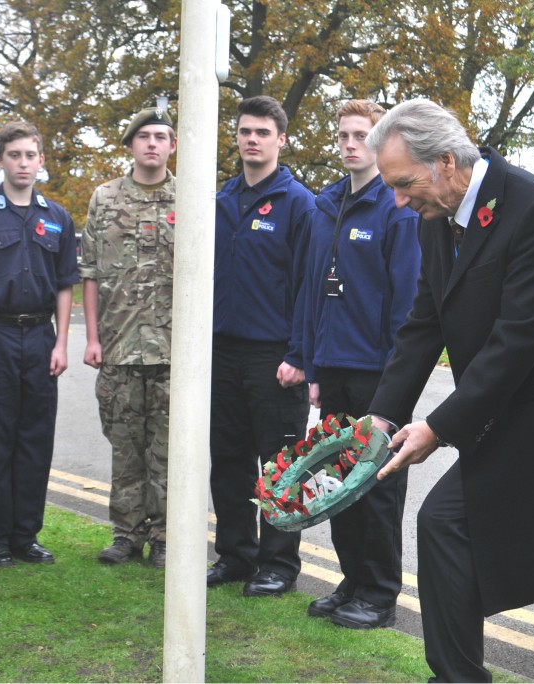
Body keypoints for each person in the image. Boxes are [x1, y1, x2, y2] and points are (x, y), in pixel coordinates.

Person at [365, 99, 534, 681]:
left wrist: (437, 429)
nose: (399, 200)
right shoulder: (437, 215)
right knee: (445, 526)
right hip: (513, 412)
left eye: (404, 183)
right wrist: (380, 419)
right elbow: (423, 324)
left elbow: (519, 341)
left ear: (445, 162)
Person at [301, 99, 420, 628]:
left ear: (379, 143)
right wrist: (312, 365)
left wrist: (397, 381)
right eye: (344, 135)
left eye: (361, 136)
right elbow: (311, 292)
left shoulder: (396, 209)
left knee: (377, 486)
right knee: (340, 482)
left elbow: (407, 305)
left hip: (379, 374)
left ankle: (379, 593)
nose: (351, 144)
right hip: (333, 367)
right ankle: (351, 581)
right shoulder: (326, 206)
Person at [0, 121, 79, 566]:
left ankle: (25, 536)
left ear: (41, 160)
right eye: (14, 155)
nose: (23, 163)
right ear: (0, 159)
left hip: (40, 337)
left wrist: (62, 342)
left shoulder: (58, 217)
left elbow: (66, 283)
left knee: (34, 439)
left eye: (30, 155)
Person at [208, 95, 315, 597]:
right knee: (228, 460)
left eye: (263, 132)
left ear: (281, 140)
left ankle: (279, 565)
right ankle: (235, 556)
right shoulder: (222, 200)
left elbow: (308, 286)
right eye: (246, 131)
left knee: (279, 465)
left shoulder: (300, 204)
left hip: (275, 357)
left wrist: (299, 354)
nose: (253, 139)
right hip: (221, 352)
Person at [80, 105, 177, 568]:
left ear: (173, 146)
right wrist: (93, 338)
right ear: (131, 146)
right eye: (144, 137)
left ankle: (163, 536)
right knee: (124, 446)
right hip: (118, 346)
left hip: (174, 349)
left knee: (167, 448)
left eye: (161, 136)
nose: (153, 144)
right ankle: (126, 533)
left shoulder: (190, 199)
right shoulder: (105, 198)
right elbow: (91, 272)